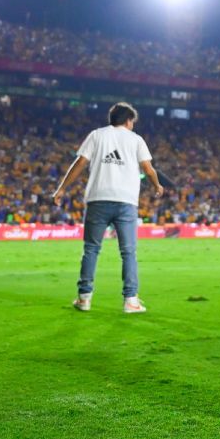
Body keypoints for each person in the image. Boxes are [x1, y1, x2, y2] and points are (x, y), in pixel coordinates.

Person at [51, 102, 164, 313]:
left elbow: (80, 164)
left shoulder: (97, 135)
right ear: (129, 120)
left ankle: (84, 298)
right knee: (128, 252)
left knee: (91, 250)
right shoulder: (136, 139)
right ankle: (131, 300)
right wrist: (157, 185)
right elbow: (148, 169)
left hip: (98, 199)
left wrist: (61, 189)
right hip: (126, 201)